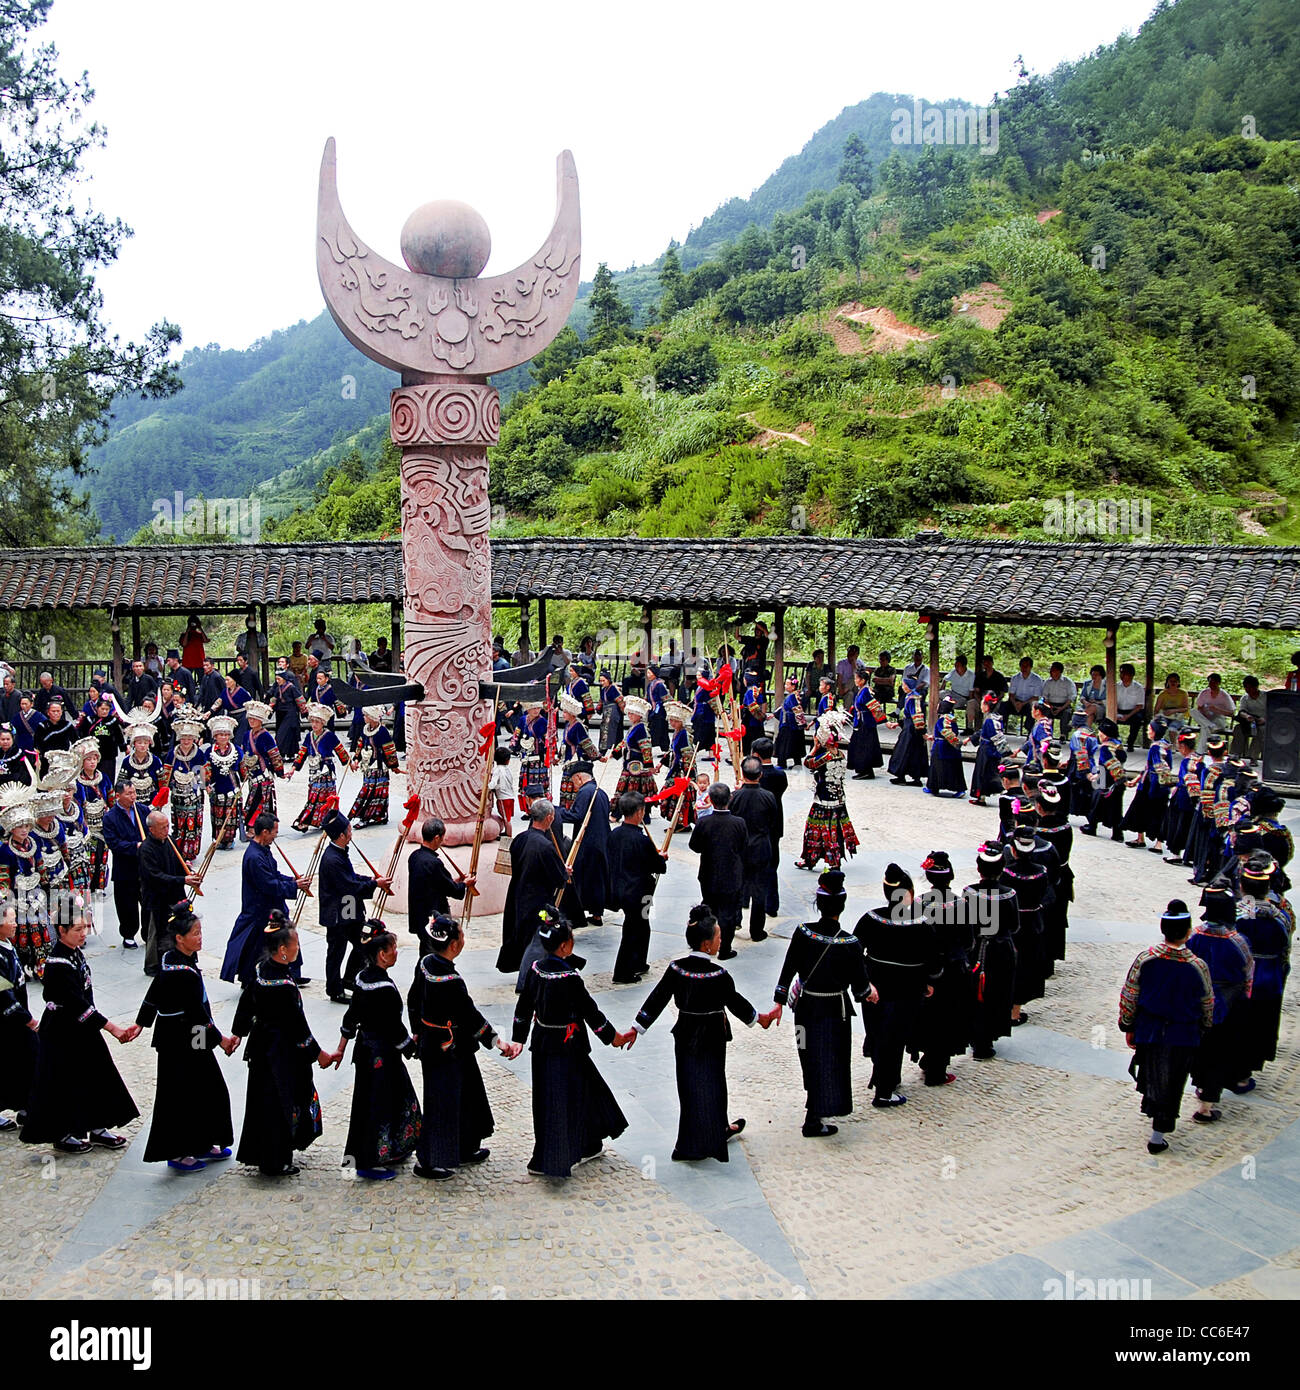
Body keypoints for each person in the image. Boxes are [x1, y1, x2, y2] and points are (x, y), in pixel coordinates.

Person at [625, 905, 777, 1159]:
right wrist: (759, 1019)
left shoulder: (676, 969)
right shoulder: (719, 974)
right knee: (714, 1084)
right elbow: (735, 1002)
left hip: (685, 1032)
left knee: (689, 1085)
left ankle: (688, 1142)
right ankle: (715, 1134)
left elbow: (657, 998)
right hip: (712, 1035)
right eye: (718, 937)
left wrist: (636, 1028)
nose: (721, 940)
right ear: (707, 944)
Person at [512, 913, 633, 1177]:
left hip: (543, 1046)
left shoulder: (535, 969)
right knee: (568, 1099)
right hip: (570, 1048)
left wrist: (519, 1039)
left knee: (549, 1099)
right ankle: (556, 1158)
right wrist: (613, 1037)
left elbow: (524, 1007)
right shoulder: (570, 977)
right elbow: (591, 1012)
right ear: (565, 946)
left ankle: (587, 1143)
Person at [408, 914, 521, 1180]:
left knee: (468, 1093)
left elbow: (413, 998)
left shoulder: (424, 964)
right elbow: (469, 1015)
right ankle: (428, 1160)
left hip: (438, 1043)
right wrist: (498, 1042)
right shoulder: (450, 981)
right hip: (446, 1048)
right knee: (441, 1102)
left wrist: (416, 1030)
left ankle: (465, 1145)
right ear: (455, 944)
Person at [21, 908, 140, 1154]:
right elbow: (76, 1003)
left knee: (98, 1073)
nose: (83, 933)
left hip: (82, 1028)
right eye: (77, 929)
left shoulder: (74, 954)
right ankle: (63, 1134)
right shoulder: (57, 964)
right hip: (63, 1032)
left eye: (85, 928)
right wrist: (112, 1027)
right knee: (63, 1082)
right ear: (62, 931)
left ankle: (98, 1125)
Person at [135, 903, 237, 1172]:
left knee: (208, 1087)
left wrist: (141, 1022)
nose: (199, 937)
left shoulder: (175, 959)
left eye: (200, 932)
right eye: (194, 933)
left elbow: (156, 993)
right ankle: (177, 1151)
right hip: (178, 1040)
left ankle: (203, 1141)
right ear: (179, 938)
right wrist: (222, 1040)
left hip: (193, 1037)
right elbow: (196, 1014)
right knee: (178, 1094)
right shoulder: (179, 970)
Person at [773, 870, 873, 1137]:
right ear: (842, 905)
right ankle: (813, 1117)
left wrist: (779, 1001)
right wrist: (870, 993)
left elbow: (788, 968)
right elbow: (861, 988)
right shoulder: (850, 943)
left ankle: (813, 1107)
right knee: (830, 1060)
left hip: (804, 1010)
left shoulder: (803, 933)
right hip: (833, 1012)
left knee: (809, 1056)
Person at [230, 916, 333, 1177]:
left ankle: (261, 1152)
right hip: (282, 1053)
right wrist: (318, 1053)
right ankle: (275, 1161)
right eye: (295, 944)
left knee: (261, 1101)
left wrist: (238, 1034)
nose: (298, 948)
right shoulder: (284, 987)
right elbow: (297, 1025)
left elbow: (246, 1004)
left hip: (260, 1048)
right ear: (283, 950)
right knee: (279, 1103)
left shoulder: (260, 970)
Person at [1118, 900, 1215, 1154]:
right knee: (1173, 1081)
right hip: (1183, 1033)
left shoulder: (1146, 959)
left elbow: (1130, 994)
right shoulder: (1197, 966)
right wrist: (1205, 1026)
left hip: (1150, 1029)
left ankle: (1155, 1120)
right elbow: (1207, 1002)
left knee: (1152, 1074)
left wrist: (1127, 1023)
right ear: (1187, 932)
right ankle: (1158, 1133)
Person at [329, 925, 422, 1180]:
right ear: (381, 954)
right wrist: (413, 1049)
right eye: (392, 948)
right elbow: (394, 1028)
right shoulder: (384, 988)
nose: (396, 952)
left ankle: (392, 1150)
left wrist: (341, 1048)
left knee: (373, 1102)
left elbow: (352, 1017)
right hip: (383, 1056)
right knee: (378, 1106)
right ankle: (369, 1162)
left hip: (365, 1052)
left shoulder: (361, 979)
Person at [855, 866, 939, 1108]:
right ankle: (883, 1090)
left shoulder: (871, 919)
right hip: (907, 991)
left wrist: (864, 983)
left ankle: (888, 1077)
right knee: (895, 1037)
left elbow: (853, 952)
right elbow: (932, 959)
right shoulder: (920, 924)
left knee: (880, 1033)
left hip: (877, 990)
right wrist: (929, 981)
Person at [1186, 881, 1254, 1126]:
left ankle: (1200, 1085)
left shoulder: (1193, 936)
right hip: (1229, 1004)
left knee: (1200, 1048)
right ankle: (1207, 1104)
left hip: (1197, 1001)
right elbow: (1248, 975)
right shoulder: (1238, 941)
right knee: (1219, 1051)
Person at [910, 852, 974, 1086]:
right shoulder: (962, 904)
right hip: (954, 969)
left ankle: (928, 1057)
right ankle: (937, 1069)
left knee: (927, 1016)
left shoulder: (919, 903)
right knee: (948, 1017)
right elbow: (969, 940)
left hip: (925, 969)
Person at [1232, 851, 1293, 1092]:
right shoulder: (1281, 915)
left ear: (1242, 886)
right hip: (1268, 978)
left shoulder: (1235, 914)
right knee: (1258, 1026)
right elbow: (1285, 950)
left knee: (1235, 1024)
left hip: (1239, 979)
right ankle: (1244, 1076)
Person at [319, 809, 390, 1004]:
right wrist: (375, 884)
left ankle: (349, 978)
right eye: (349, 830)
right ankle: (334, 989)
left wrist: (372, 880)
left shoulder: (340, 852)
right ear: (341, 835)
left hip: (347, 908)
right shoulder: (332, 859)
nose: (351, 833)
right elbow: (349, 885)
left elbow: (351, 878)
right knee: (336, 952)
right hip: (337, 911)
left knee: (362, 943)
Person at [497, 800, 569, 986]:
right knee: (537, 940)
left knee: (524, 935)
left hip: (517, 896)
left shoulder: (520, 839)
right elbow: (559, 880)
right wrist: (564, 872)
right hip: (539, 903)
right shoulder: (545, 846)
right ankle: (526, 980)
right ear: (550, 818)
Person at [962, 843, 1020, 1059]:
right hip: (1000, 951)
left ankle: (974, 1035)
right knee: (997, 993)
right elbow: (1014, 926)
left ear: (979, 868)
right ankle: (987, 1038)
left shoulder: (969, 892)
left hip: (975, 949)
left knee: (974, 993)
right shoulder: (1009, 894)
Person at [606, 792, 668, 985]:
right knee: (633, 929)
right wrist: (662, 858)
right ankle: (623, 972)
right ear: (639, 812)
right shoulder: (641, 841)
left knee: (642, 926)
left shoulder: (615, 834)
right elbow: (658, 867)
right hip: (640, 893)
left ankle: (639, 961)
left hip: (620, 888)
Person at [688, 782, 749, 959]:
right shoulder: (738, 823)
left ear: (711, 800)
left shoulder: (704, 822)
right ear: (729, 799)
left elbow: (695, 846)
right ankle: (725, 948)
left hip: (709, 873)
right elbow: (743, 845)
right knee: (729, 913)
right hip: (731, 873)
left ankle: (708, 943)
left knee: (710, 909)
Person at [139, 808, 200, 978]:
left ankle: (185, 960)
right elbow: (155, 876)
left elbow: (179, 862)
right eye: (163, 827)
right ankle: (156, 965)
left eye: (167, 826)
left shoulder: (170, 841)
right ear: (151, 829)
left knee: (182, 928)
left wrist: (188, 872)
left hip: (176, 894)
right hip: (158, 898)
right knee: (158, 933)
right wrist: (183, 880)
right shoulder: (146, 849)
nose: (167, 830)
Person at [796, 709, 859, 871]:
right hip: (838, 798)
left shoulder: (825, 757)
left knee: (816, 829)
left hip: (823, 800)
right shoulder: (840, 754)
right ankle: (833, 861)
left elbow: (808, 763)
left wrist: (815, 748)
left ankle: (813, 859)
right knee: (835, 830)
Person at [405, 817, 475, 958]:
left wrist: (458, 881)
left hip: (419, 915)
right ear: (436, 838)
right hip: (432, 917)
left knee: (425, 951)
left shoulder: (415, 857)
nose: (443, 840)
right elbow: (452, 890)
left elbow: (436, 883)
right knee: (433, 954)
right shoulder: (433, 863)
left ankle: (420, 977)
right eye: (442, 837)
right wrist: (464, 884)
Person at [731, 756, 780, 944]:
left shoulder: (735, 797)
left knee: (738, 885)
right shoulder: (768, 797)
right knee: (759, 890)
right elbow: (772, 822)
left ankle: (736, 919)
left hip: (741, 848)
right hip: (760, 846)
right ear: (760, 774)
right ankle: (757, 929)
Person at [556, 762, 610, 927]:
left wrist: (556, 811)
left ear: (579, 777)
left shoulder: (585, 792)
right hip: (603, 841)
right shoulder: (600, 792)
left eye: (573, 781)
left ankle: (578, 913)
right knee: (597, 879)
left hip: (587, 843)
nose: (573, 785)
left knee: (583, 878)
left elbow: (576, 815)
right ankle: (597, 914)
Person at [0, 903, 38, 1130]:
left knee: (27, 1060)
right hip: (7, 1020)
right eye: (10, 921)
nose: (15, 925)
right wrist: (27, 1019)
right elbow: (3, 995)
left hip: (18, 1018)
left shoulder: (7, 945)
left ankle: (26, 1106)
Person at [288, 703, 350, 831]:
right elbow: (302, 752)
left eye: (317, 722)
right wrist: (294, 767)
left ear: (323, 723)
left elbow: (340, 750)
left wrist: (349, 762)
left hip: (326, 770)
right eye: (312, 721)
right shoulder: (309, 736)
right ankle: (309, 820)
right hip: (313, 769)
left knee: (325, 797)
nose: (314, 724)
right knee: (313, 795)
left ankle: (326, 820)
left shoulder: (329, 736)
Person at [1123, 715, 1175, 852]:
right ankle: (1148, 840)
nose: (1147, 732)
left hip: (1152, 784)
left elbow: (1158, 767)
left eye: (1149, 729)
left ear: (1154, 731)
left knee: (1143, 808)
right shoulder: (1166, 745)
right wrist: (1136, 779)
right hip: (1157, 783)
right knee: (1158, 812)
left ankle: (1147, 840)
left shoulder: (1155, 748)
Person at [161, 711, 207, 860]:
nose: (186, 741)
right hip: (178, 796)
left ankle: (191, 852)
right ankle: (179, 852)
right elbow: (166, 776)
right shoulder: (172, 754)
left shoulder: (199, 754)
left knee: (193, 825)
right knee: (179, 824)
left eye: (189, 738)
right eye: (183, 738)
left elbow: (204, 774)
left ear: (194, 738)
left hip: (194, 795)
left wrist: (202, 787)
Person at [348, 706, 399, 826]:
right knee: (367, 791)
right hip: (368, 767)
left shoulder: (382, 731)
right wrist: (356, 759)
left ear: (372, 717)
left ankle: (378, 816)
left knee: (378, 793)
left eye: (365, 715)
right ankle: (365, 816)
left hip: (379, 767)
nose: (364, 717)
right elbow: (360, 745)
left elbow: (390, 749)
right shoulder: (365, 729)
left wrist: (394, 766)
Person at [966, 693, 1008, 806]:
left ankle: (983, 796)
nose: (980, 706)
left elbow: (995, 737)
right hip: (989, 748)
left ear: (986, 705)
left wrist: (1005, 752)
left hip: (987, 750)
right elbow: (982, 732)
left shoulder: (990, 720)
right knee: (989, 773)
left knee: (983, 773)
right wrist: (971, 738)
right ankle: (982, 797)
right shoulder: (995, 718)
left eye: (982, 703)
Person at [887, 677, 929, 786]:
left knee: (907, 752)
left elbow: (917, 717)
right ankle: (904, 776)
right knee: (908, 752)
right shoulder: (909, 696)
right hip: (909, 726)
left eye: (904, 684)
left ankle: (913, 777)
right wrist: (899, 723)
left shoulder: (914, 698)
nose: (902, 686)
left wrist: (922, 732)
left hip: (912, 730)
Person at [925, 696, 967, 797]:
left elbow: (946, 733)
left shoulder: (942, 720)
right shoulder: (952, 719)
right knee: (954, 768)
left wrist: (957, 743)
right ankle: (959, 789)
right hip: (951, 749)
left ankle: (934, 787)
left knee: (937, 767)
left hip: (942, 748)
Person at [1193, 674, 1235, 753]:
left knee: (1205, 728)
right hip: (1205, 717)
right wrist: (1203, 711)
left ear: (1218, 683)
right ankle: (1208, 725)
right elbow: (1198, 708)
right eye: (1210, 682)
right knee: (1193, 711)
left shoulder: (1224, 695)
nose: (1211, 684)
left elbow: (1231, 713)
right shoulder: (1204, 693)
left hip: (1218, 719)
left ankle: (1200, 752)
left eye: (1214, 682)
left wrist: (1217, 710)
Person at [1004, 657, 1043, 734]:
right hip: (1016, 701)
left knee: (1033, 706)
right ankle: (1000, 727)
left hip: (1028, 702)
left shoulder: (1037, 679)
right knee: (1002, 706)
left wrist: (1023, 704)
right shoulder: (1015, 678)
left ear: (1031, 667)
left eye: (1026, 666)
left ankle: (1029, 731)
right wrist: (1015, 703)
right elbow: (1011, 694)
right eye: (1022, 666)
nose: (1024, 668)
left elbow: (1036, 697)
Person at [1231, 676, 1267, 759]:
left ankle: (1252, 756)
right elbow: (1242, 711)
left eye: (1250, 687)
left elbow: (1273, 711)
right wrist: (1247, 716)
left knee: (1261, 731)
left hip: (1263, 723)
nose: (1248, 690)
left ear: (1256, 687)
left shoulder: (1265, 696)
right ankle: (1235, 754)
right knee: (1238, 729)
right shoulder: (1245, 698)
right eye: (1246, 687)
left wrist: (1264, 719)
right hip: (1249, 722)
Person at [773, 675, 804, 769]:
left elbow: (797, 711)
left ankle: (782, 763)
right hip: (790, 723)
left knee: (784, 743)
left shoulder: (793, 697)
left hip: (788, 723)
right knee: (794, 743)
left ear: (793, 686)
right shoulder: (792, 696)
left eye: (787, 684)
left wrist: (802, 723)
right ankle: (797, 763)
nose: (785, 686)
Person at [942, 653, 976, 732]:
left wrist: (969, 702)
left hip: (962, 697)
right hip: (952, 693)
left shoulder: (971, 675)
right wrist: (942, 688)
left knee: (948, 704)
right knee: (938, 695)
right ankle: (939, 721)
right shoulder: (954, 672)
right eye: (955, 665)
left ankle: (952, 725)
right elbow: (945, 679)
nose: (956, 668)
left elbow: (971, 691)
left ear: (964, 666)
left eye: (958, 666)